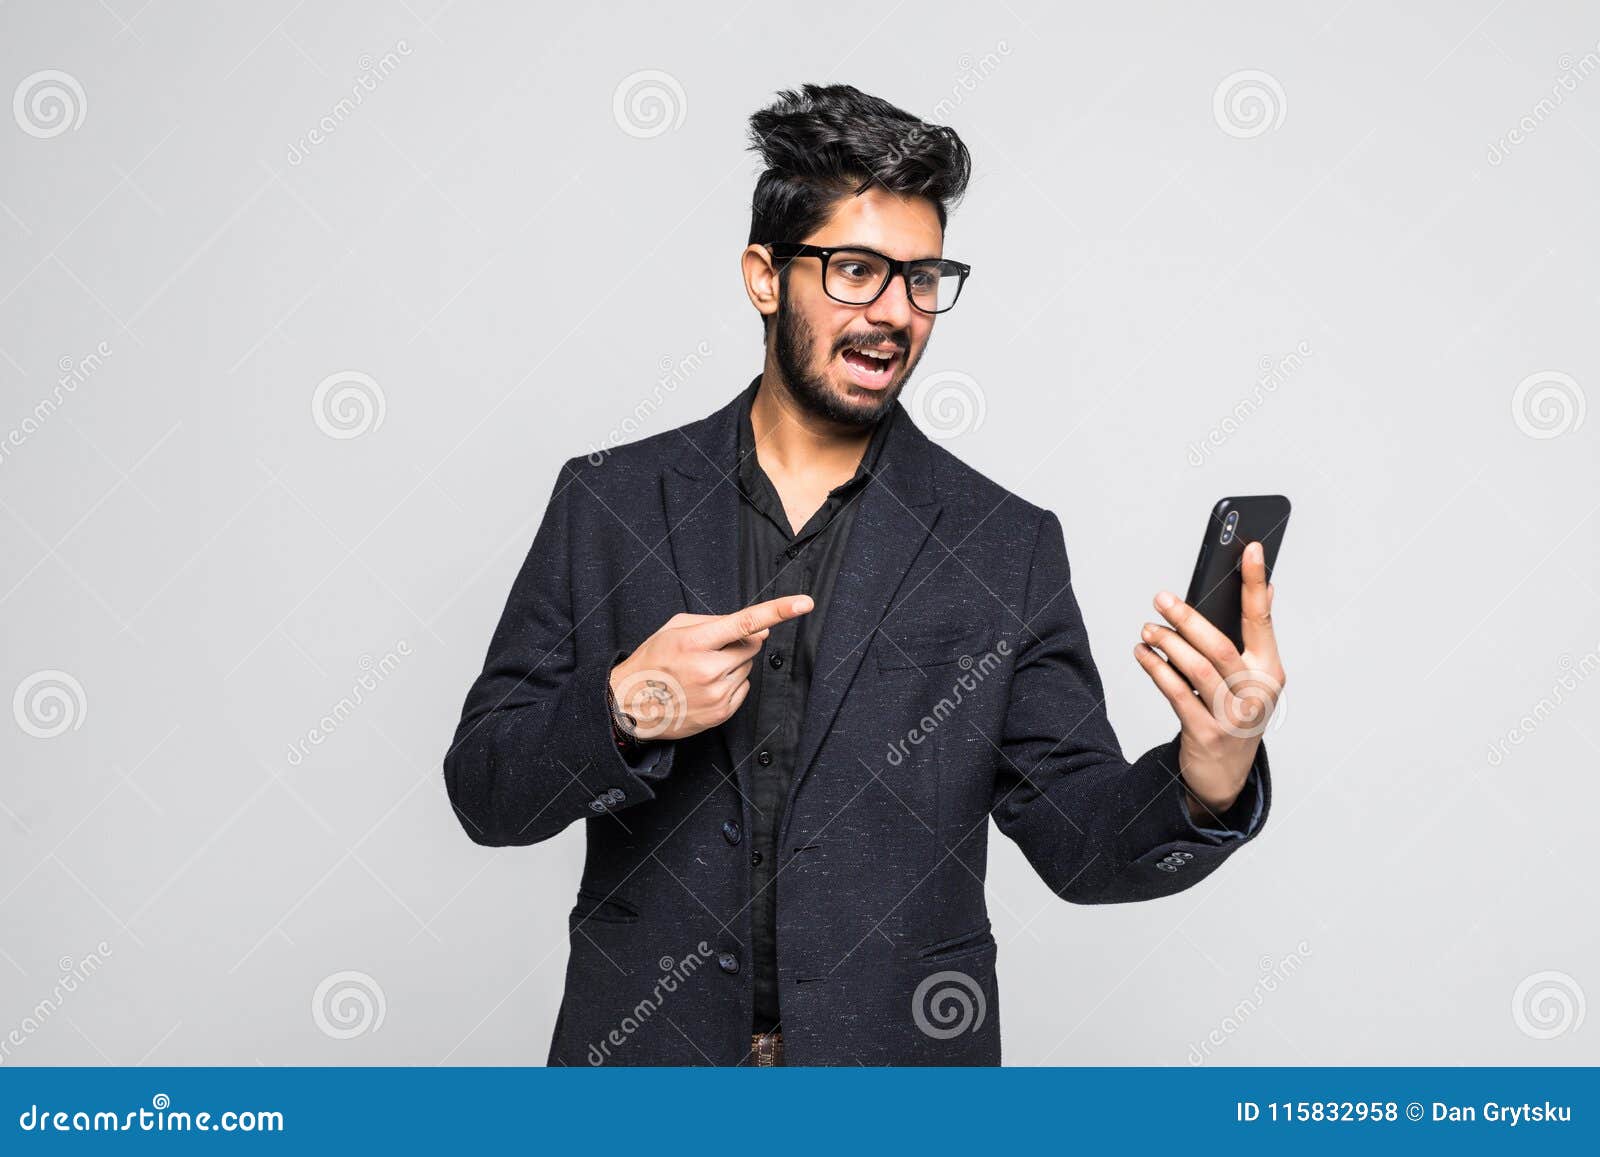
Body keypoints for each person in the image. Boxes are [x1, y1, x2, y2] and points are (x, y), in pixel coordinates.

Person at [443, 83, 1285, 1066]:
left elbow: (1080, 842)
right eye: (854, 270)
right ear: (765, 276)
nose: (893, 312)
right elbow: (486, 791)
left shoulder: (1002, 543)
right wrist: (625, 705)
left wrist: (1210, 771)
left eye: (921, 278)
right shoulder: (610, 501)